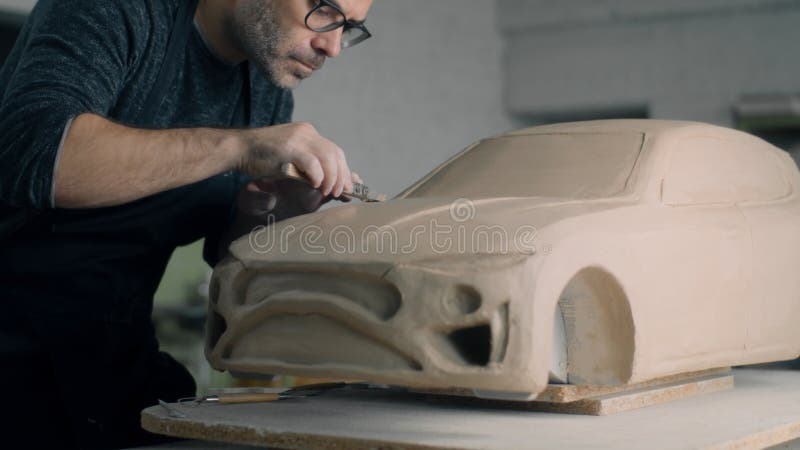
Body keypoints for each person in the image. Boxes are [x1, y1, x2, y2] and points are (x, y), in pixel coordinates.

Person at [0, 0, 373, 447]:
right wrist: (239, 148)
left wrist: (267, 212)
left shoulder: (264, 88)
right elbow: (39, 156)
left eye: (350, 27)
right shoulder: (117, 10)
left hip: (111, 361)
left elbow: (228, 259)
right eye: (324, 8)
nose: (333, 46)